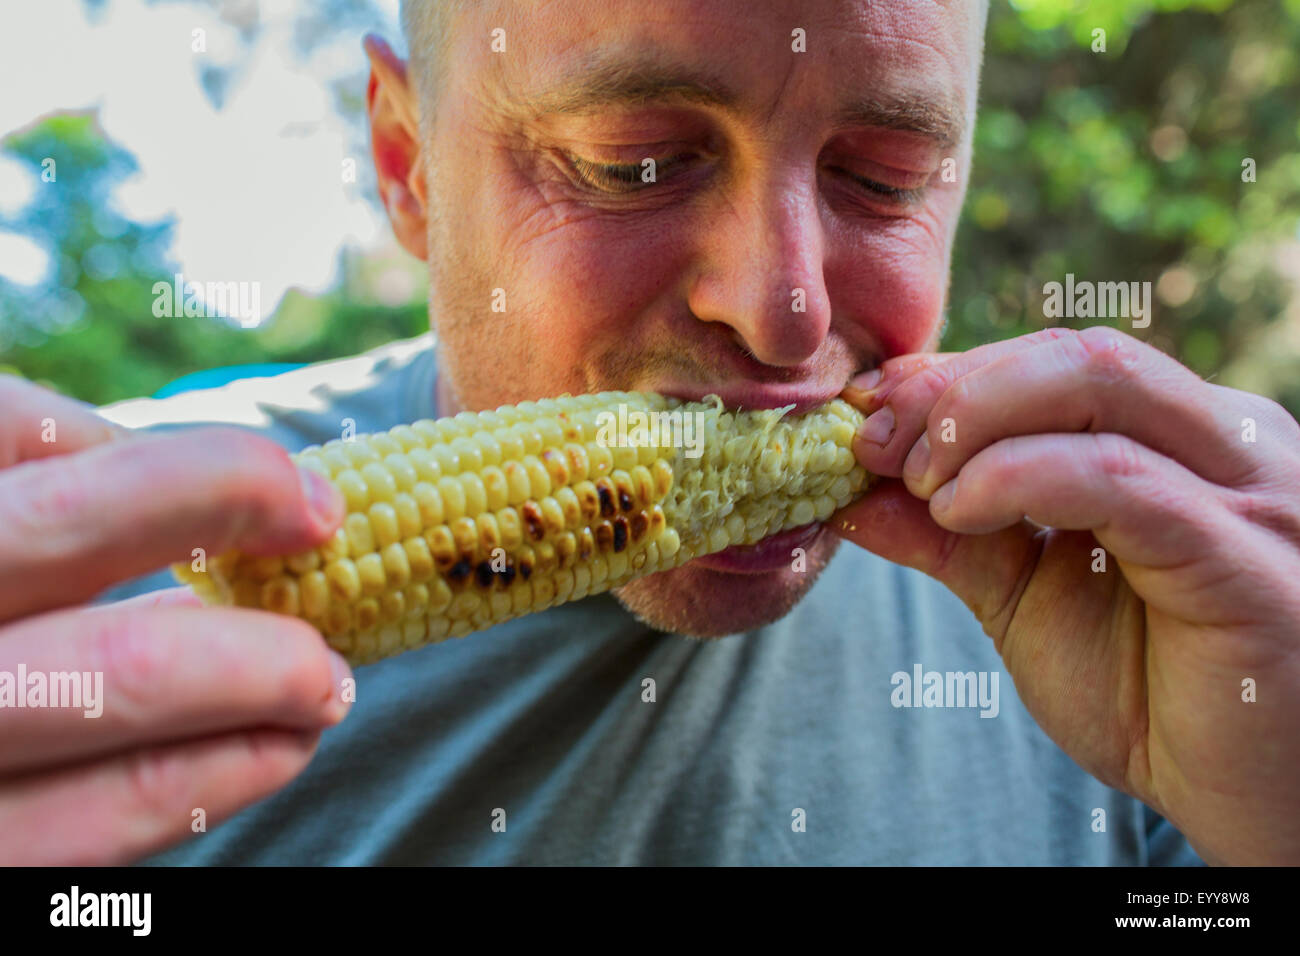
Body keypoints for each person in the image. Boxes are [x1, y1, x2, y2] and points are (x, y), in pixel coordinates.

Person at [2, 0, 1296, 865]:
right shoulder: (82, 599)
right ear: (408, 171)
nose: (788, 316)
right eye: (631, 164)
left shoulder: (1140, 609)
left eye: (883, 180)